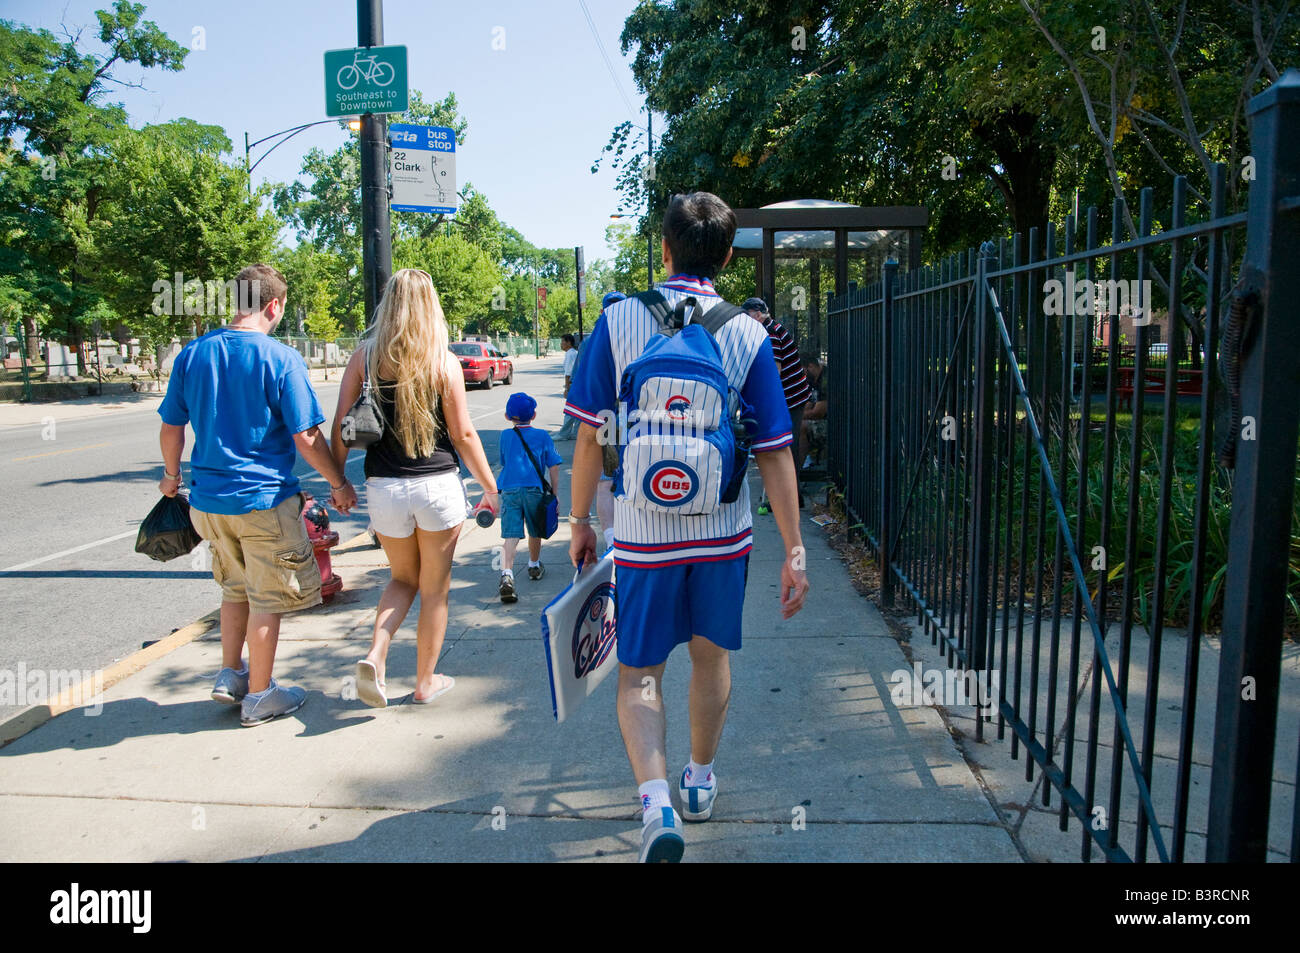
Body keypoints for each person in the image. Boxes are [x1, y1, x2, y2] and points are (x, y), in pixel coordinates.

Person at [565, 191, 811, 863]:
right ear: (727, 256)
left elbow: (589, 439)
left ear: (665, 248)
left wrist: (581, 520)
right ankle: (699, 780)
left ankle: (655, 804)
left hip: (644, 537)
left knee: (639, 671)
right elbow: (775, 450)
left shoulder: (618, 324)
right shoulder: (748, 333)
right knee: (711, 658)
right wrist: (794, 549)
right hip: (723, 532)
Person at [157, 263, 358, 727]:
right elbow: (306, 436)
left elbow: (171, 427)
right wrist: (338, 484)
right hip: (262, 500)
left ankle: (231, 674)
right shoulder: (280, 358)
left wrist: (172, 477)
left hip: (207, 503)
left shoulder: (194, 354)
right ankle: (262, 694)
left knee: (234, 589)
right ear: (274, 304)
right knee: (268, 596)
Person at [330, 269, 498, 709]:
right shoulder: (443, 361)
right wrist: (490, 487)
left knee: (402, 579)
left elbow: (341, 429)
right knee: (435, 588)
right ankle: (426, 681)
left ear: (388, 305)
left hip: (384, 490)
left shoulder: (364, 358)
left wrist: (339, 481)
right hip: (438, 488)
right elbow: (463, 434)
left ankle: (376, 655)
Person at [741, 298, 811, 512]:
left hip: (790, 398)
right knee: (787, 445)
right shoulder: (774, 328)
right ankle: (791, 496)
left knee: (784, 446)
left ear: (757, 313)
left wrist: (764, 400)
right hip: (794, 396)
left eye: (747, 315)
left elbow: (775, 372)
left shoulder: (770, 334)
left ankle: (786, 498)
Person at [496, 391, 562, 603]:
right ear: (533, 415)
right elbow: (553, 466)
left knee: (511, 535)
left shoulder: (505, 436)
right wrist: (554, 493)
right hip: (534, 489)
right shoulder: (543, 436)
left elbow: (504, 462)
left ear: (507, 416)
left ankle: (506, 574)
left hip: (509, 490)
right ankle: (534, 565)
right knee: (535, 529)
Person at [799, 353, 828, 469]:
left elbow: (818, 412)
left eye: (803, 371)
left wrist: (797, 417)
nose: (802, 375)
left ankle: (797, 469)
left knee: (802, 426)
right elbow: (808, 405)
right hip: (821, 420)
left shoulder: (825, 380)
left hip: (832, 424)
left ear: (810, 366)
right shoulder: (813, 380)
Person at [553, 334, 580, 441]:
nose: (561, 344)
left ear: (568, 342)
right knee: (578, 410)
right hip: (578, 384)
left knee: (570, 410)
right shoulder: (574, 353)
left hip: (573, 385)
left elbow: (568, 373)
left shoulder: (570, 354)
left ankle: (564, 434)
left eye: (562, 342)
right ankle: (576, 433)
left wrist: (567, 388)